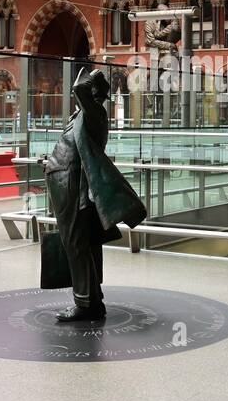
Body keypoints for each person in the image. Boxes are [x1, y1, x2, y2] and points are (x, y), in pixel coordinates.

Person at [39, 68, 147, 322]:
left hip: (75, 187)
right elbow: (71, 150)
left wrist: (89, 75)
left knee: (77, 244)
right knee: (77, 243)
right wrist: (51, 163)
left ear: (94, 93)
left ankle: (86, 304)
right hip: (64, 185)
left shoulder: (95, 113)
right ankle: (91, 297)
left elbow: (78, 88)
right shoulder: (81, 117)